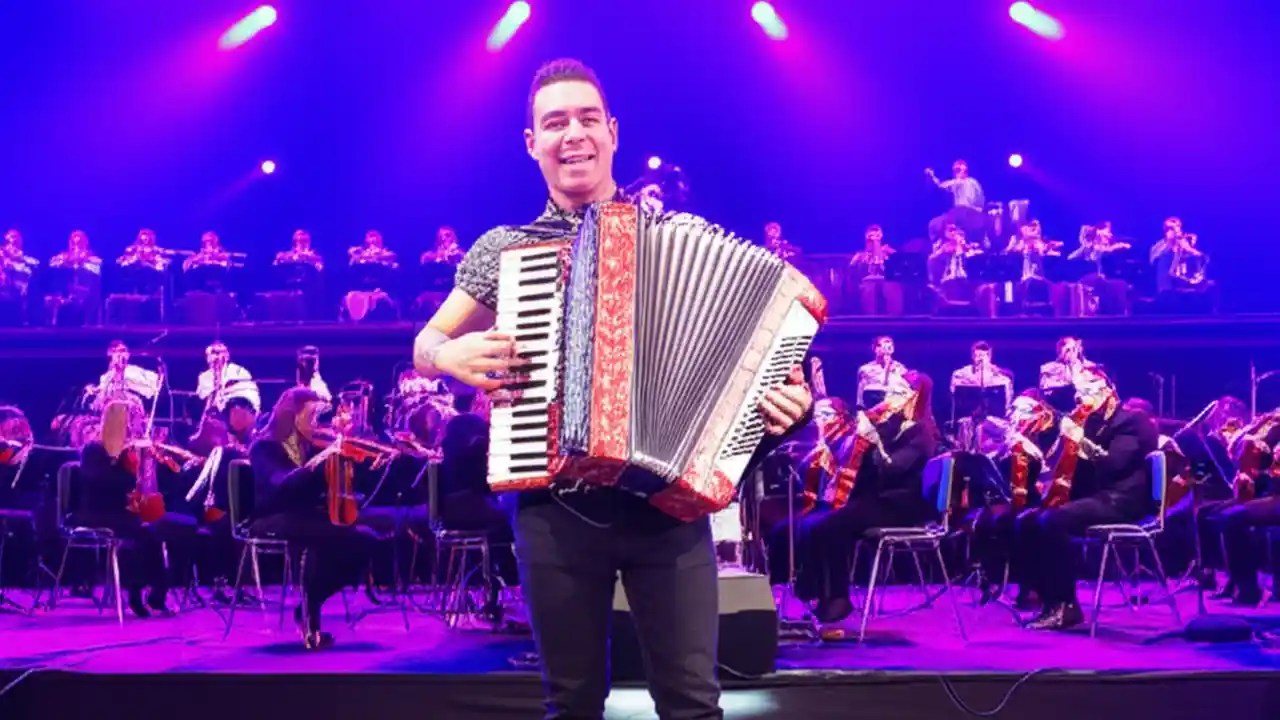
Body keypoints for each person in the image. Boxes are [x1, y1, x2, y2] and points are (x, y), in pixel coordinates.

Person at [411, 58, 813, 720]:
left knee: (693, 705)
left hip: (669, 511)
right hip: (553, 512)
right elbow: (424, 347)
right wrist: (448, 353)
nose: (573, 134)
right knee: (571, 706)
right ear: (531, 141)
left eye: (587, 119)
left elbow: (760, 388)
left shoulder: (678, 242)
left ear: (613, 132)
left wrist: (787, 412)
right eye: (554, 122)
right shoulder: (505, 251)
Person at [774, 371, 938, 624]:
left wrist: (875, 442)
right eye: (890, 392)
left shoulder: (922, 433)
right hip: (875, 498)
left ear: (914, 396)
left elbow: (894, 468)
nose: (890, 398)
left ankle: (838, 598)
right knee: (811, 522)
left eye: (898, 392)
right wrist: (851, 439)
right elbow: (856, 460)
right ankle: (818, 593)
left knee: (830, 526)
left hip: (900, 505)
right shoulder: (888, 424)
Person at [1014, 368, 1159, 630]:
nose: (1081, 396)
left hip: (1123, 501)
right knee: (1026, 521)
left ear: (1106, 389)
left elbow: (1115, 464)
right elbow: (1072, 467)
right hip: (1099, 497)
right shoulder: (1091, 422)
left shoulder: (1132, 421)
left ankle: (1066, 605)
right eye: (1078, 391)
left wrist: (1082, 443)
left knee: (1052, 522)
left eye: (1087, 388)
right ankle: (1044, 598)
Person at [247, 388, 378, 649]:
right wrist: (317, 463)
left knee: (366, 540)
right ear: (292, 416)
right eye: (312, 415)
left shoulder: (311, 445)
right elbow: (279, 487)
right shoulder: (264, 447)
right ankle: (311, 618)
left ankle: (311, 602)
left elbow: (327, 490)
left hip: (308, 517)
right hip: (272, 516)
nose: (317, 423)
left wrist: (354, 466)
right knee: (321, 537)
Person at [76, 401, 198, 618]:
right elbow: (96, 484)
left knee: (186, 525)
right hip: (102, 511)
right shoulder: (94, 449)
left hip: (135, 510)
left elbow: (167, 485)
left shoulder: (138, 450)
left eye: (139, 419)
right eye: (132, 420)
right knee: (145, 531)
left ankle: (161, 589)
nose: (137, 425)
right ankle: (137, 593)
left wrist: (159, 463)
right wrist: (127, 466)